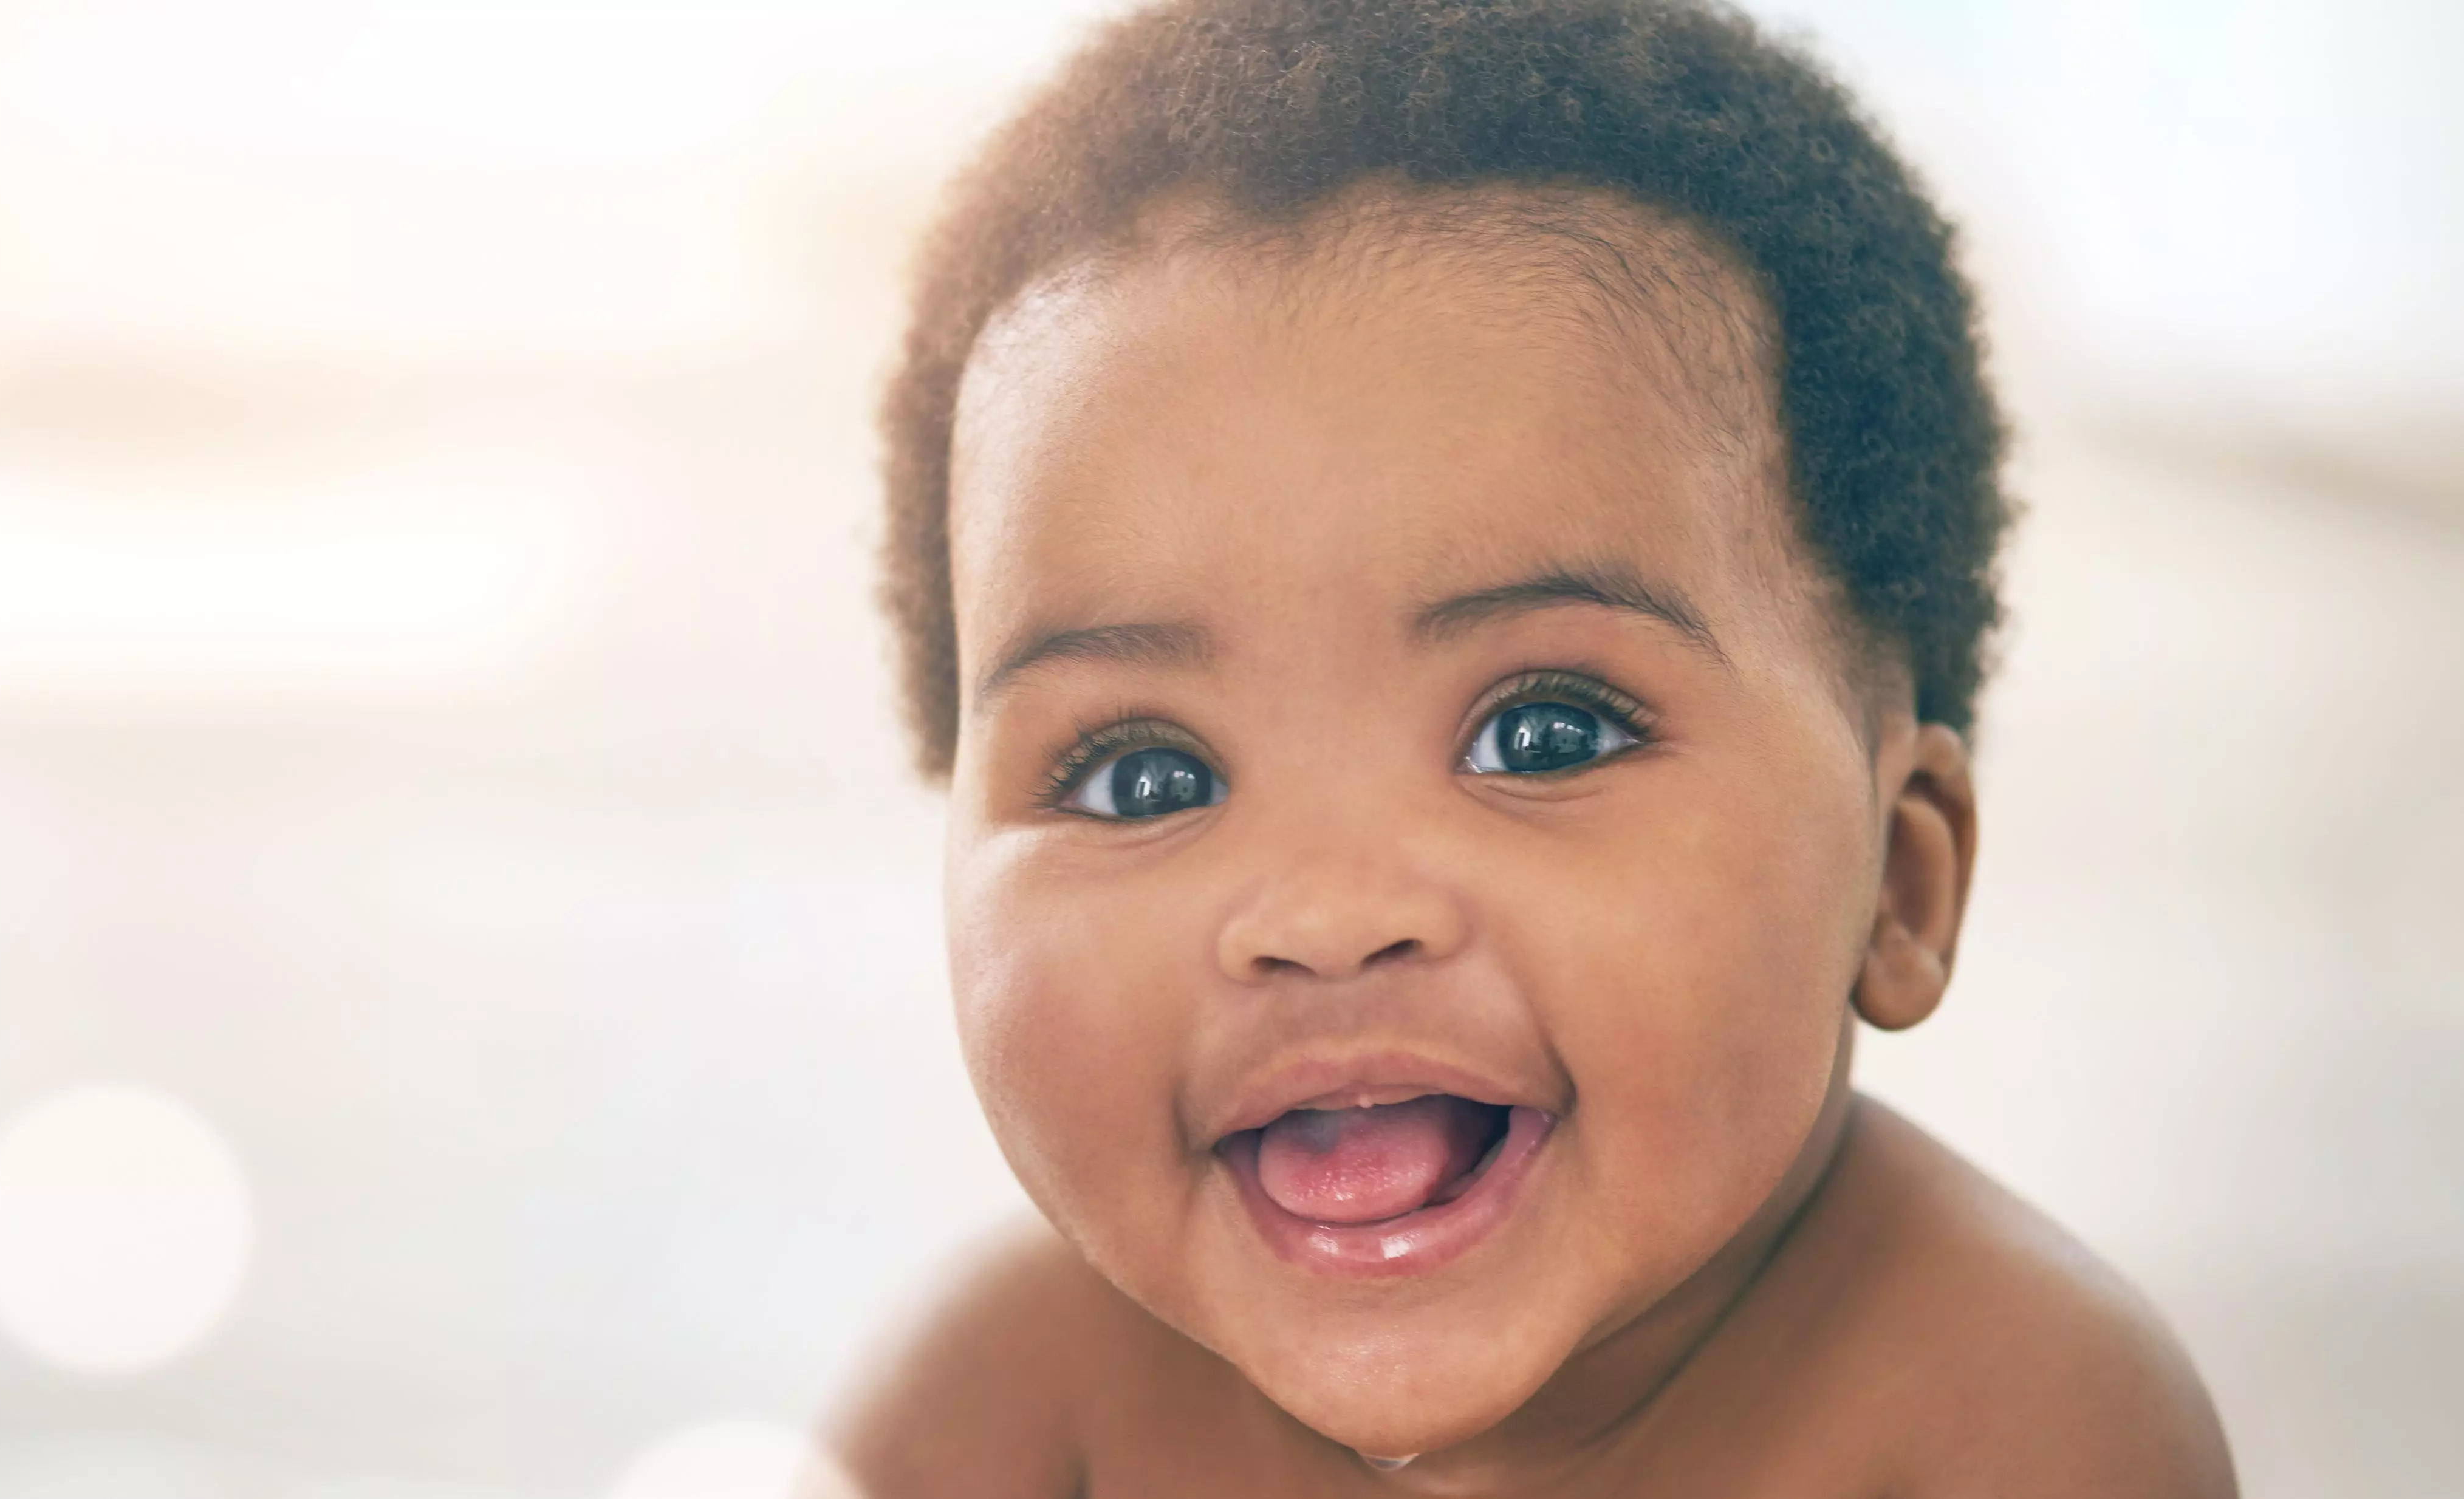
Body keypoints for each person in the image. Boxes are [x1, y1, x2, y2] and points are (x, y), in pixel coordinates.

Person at [832, 0, 2236, 1492]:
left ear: (1893, 881)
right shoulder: (1013, 1402)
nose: (1326, 913)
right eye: (1146, 776)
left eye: (1540, 736)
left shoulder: (2017, 1423)